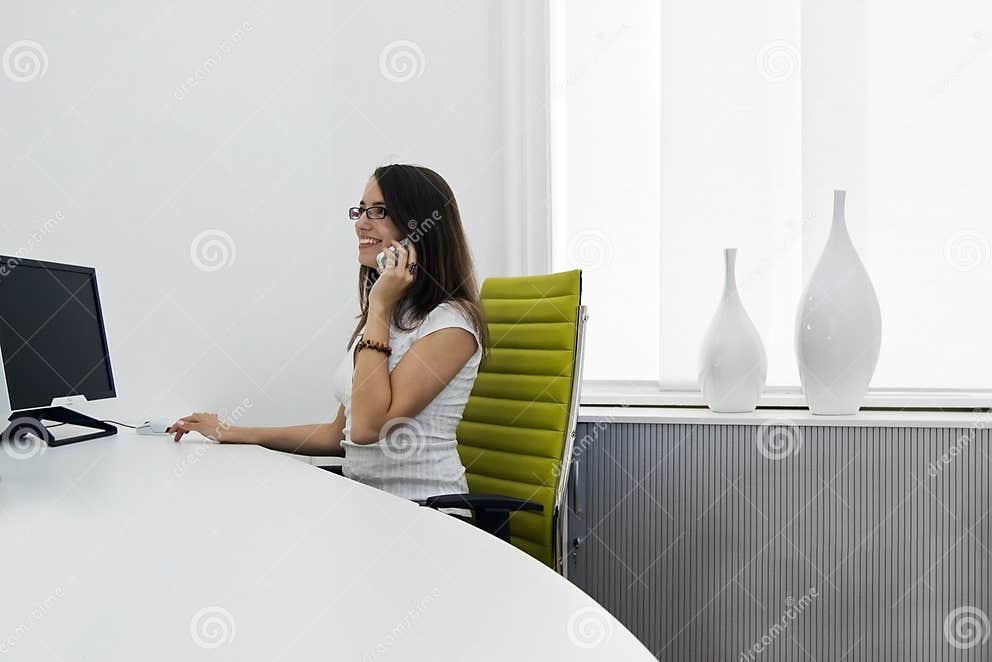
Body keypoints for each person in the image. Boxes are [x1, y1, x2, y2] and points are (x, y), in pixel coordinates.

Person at [170, 164, 489, 507]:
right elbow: (341, 434)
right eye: (360, 210)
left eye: (378, 211)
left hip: (427, 514)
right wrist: (232, 432)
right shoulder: (390, 317)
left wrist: (379, 306)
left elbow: (368, 430)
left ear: (420, 226)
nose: (361, 223)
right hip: (367, 507)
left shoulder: (451, 324)